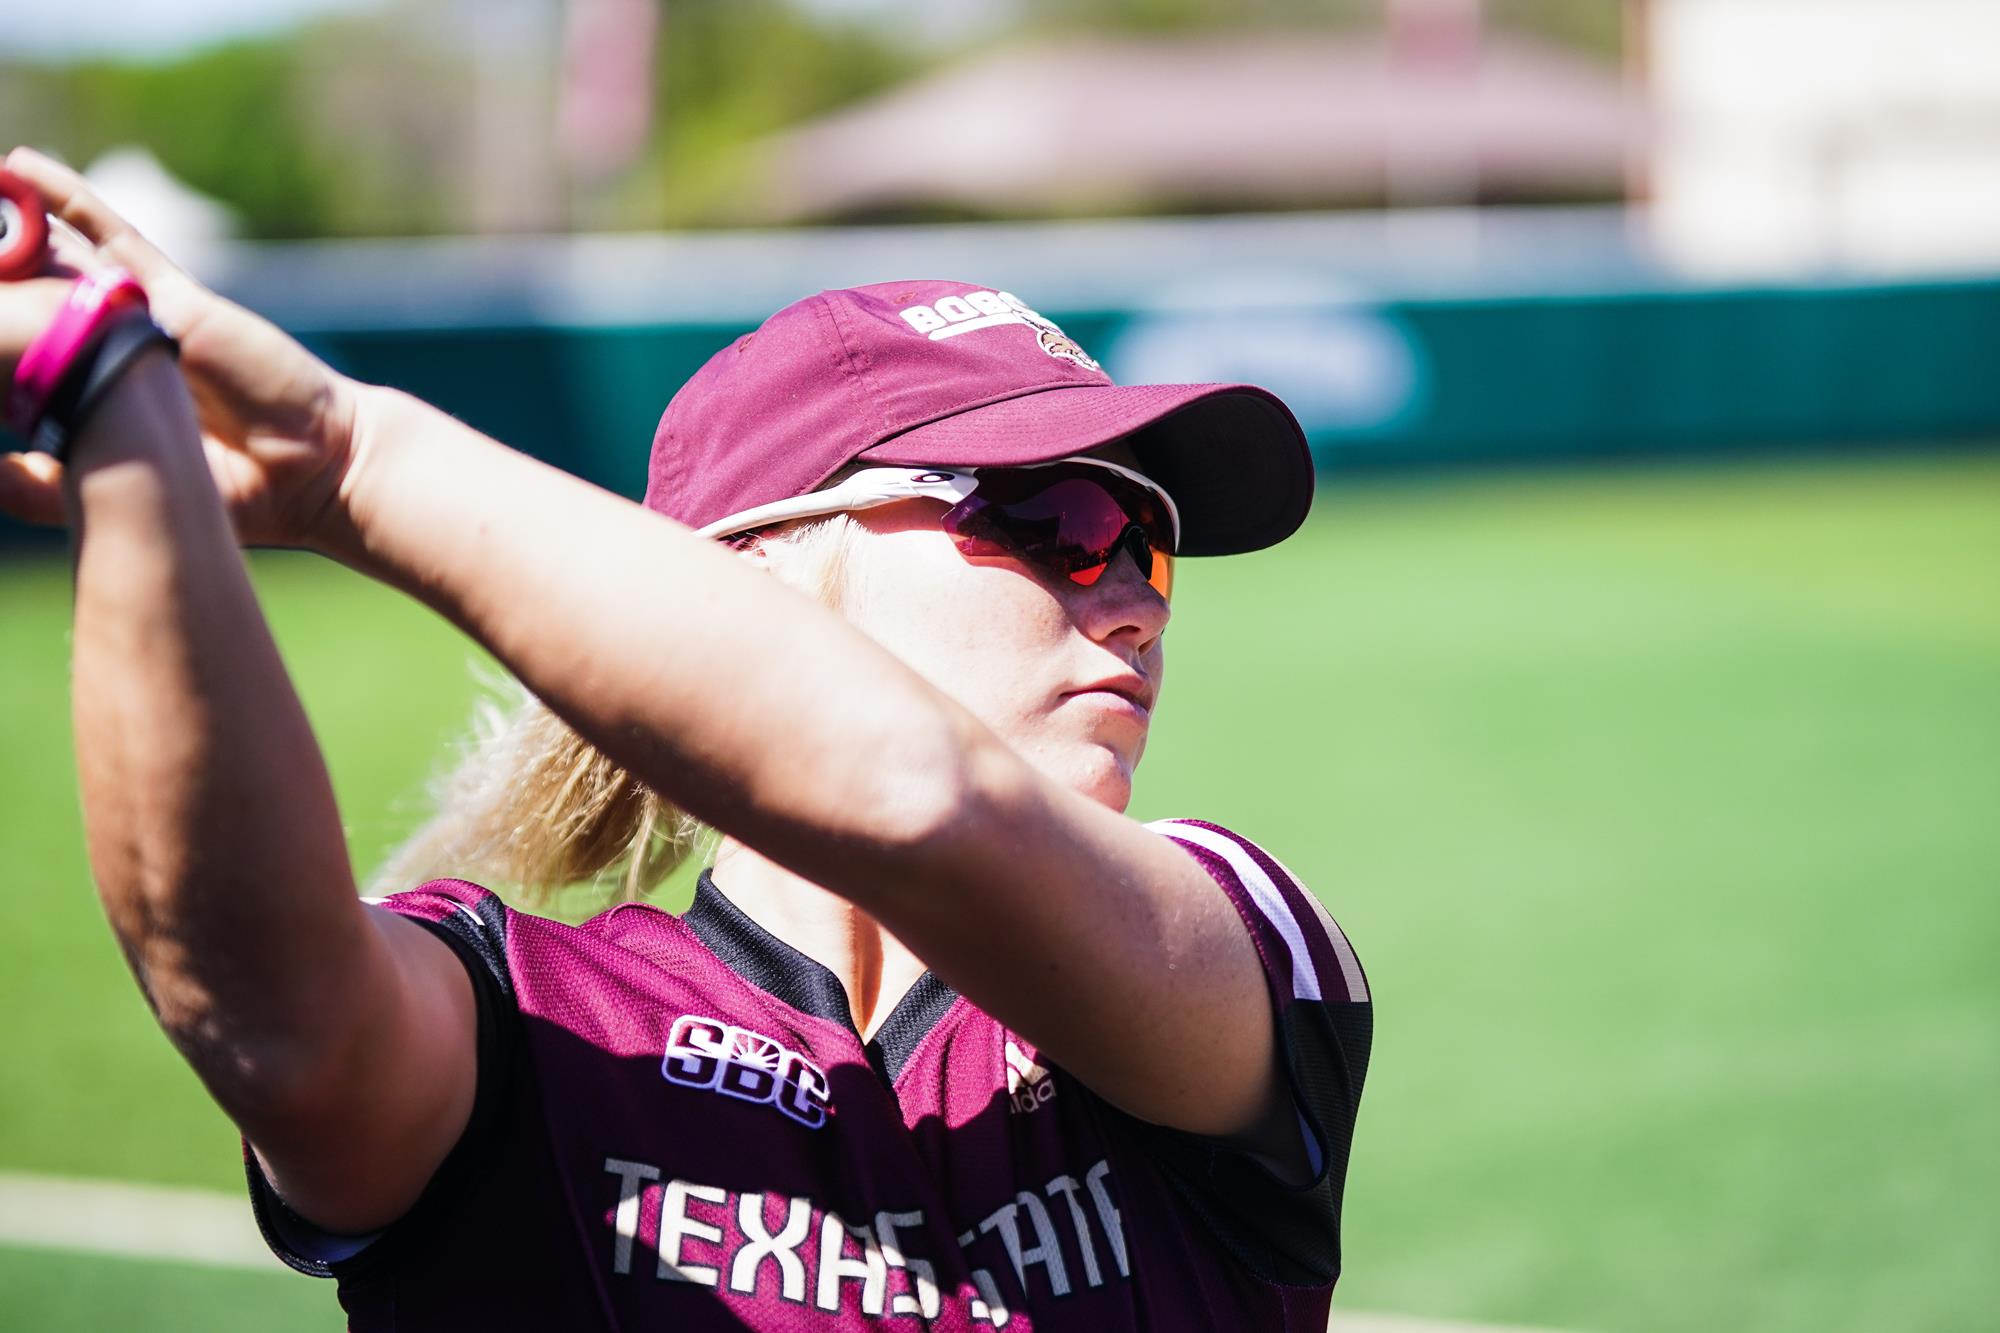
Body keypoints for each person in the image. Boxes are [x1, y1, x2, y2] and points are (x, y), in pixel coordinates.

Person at [0, 146, 1371, 1330]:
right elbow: (270, 1016)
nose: (1134, 606)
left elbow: (923, 801)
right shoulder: (526, 1020)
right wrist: (121, 413)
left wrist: (348, 456)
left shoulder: (1247, 953)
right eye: (1062, 524)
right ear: (768, 567)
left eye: (1152, 550)